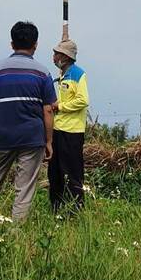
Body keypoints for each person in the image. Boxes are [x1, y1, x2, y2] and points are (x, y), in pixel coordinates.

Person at [0, 21, 57, 223]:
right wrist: (49, 141)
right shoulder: (43, 72)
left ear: (12, 44)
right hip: (32, 138)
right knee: (24, 189)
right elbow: (48, 109)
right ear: (35, 44)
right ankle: (16, 234)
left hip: (4, 137)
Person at [48, 38, 89, 213]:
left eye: (56, 54)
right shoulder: (62, 76)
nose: (54, 57)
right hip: (58, 129)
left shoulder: (78, 74)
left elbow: (83, 100)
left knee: (72, 172)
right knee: (55, 172)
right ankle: (56, 208)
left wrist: (61, 106)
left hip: (72, 132)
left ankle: (75, 210)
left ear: (65, 56)